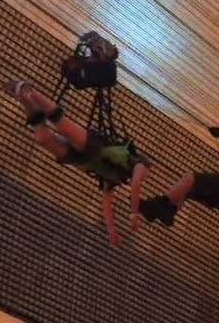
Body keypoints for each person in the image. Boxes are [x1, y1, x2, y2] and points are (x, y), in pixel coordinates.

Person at [8, 78, 150, 246]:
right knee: (63, 126)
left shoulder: (116, 178)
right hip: (94, 147)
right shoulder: (139, 164)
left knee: (42, 138)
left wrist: (111, 229)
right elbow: (136, 185)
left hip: (80, 159)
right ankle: (31, 91)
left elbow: (106, 199)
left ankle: (26, 100)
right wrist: (133, 213)